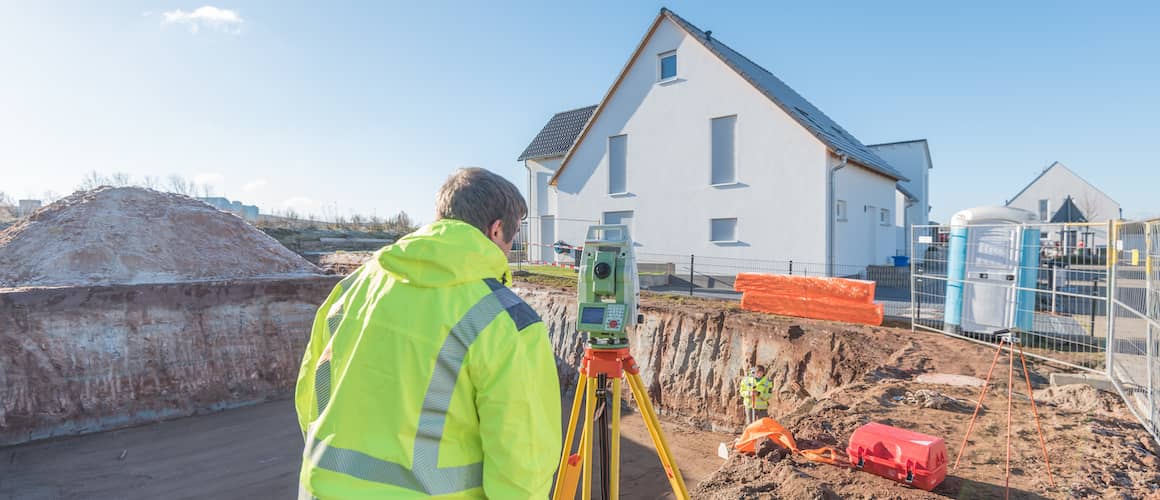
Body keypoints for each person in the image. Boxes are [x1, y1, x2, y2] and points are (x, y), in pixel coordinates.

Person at [295, 167, 562, 498]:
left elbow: (311, 393)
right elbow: (523, 462)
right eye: (513, 236)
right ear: (496, 230)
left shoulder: (354, 287)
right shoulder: (505, 319)